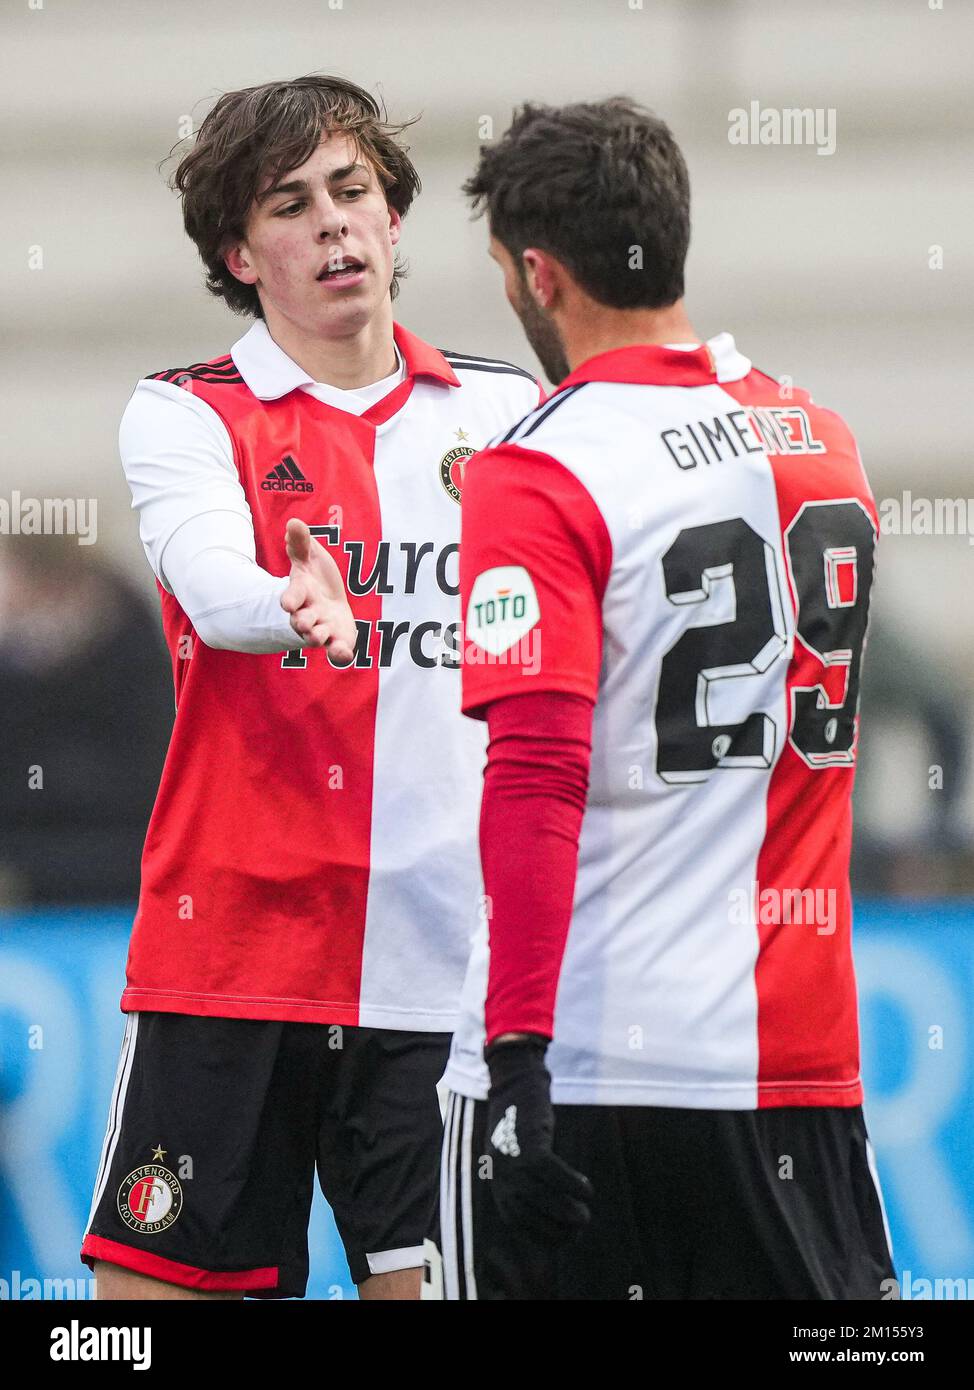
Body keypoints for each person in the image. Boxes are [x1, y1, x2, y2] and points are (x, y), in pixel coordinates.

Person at [81, 74, 540, 1301]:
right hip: (233, 960)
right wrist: (286, 604)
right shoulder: (185, 412)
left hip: (442, 981)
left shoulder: (507, 415)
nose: (334, 223)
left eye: (353, 191)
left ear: (393, 221)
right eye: (291, 204)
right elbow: (209, 577)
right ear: (240, 251)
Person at [427, 97, 895, 1300]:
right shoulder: (819, 440)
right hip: (799, 1072)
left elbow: (535, 774)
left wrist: (515, 1055)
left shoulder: (539, 464)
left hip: (596, 1070)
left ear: (537, 272)